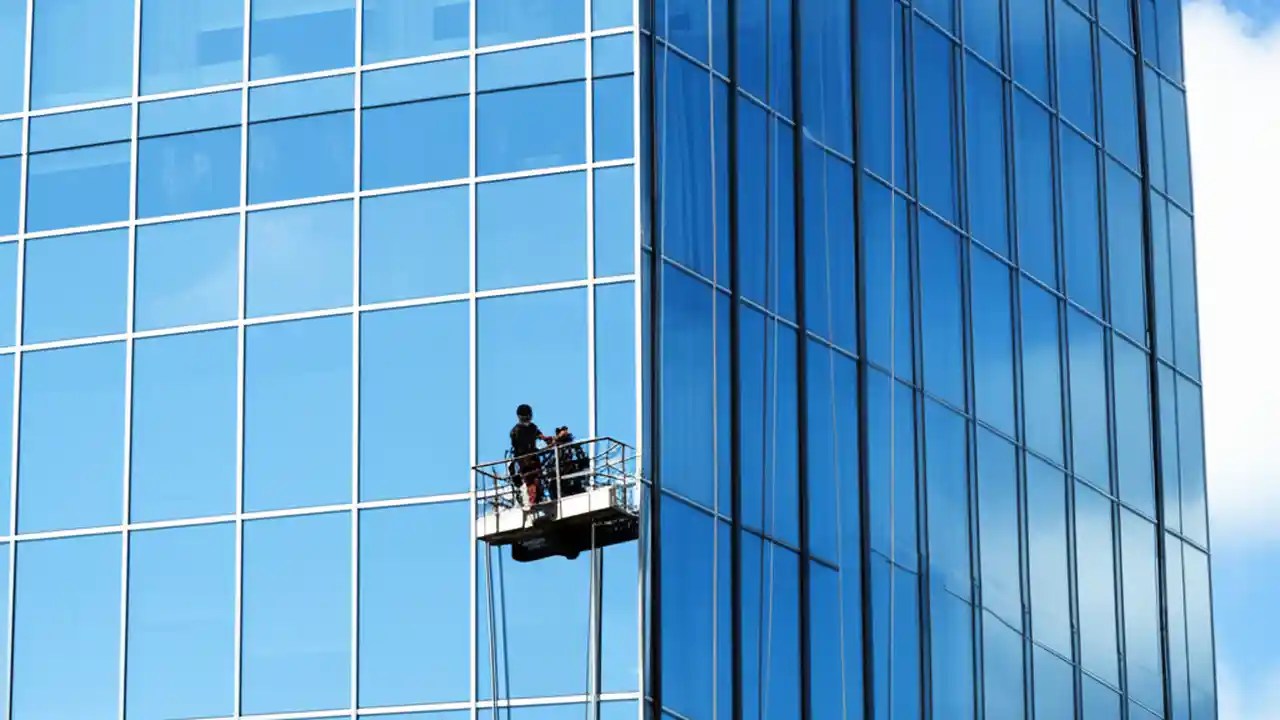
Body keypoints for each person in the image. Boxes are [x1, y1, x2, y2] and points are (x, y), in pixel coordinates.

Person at [509, 404, 553, 508]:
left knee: (537, 481)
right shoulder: (516, 431)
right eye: (526, 416)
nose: (528, 418)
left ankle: (537, 499)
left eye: (529, 416)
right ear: (520, 417)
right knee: (530, 481)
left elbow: (541, 435)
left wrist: (548, 440)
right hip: (524, 462)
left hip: (534, 459)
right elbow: (517, 448)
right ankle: (530, 501)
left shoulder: (533, 427)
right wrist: (526, 456)